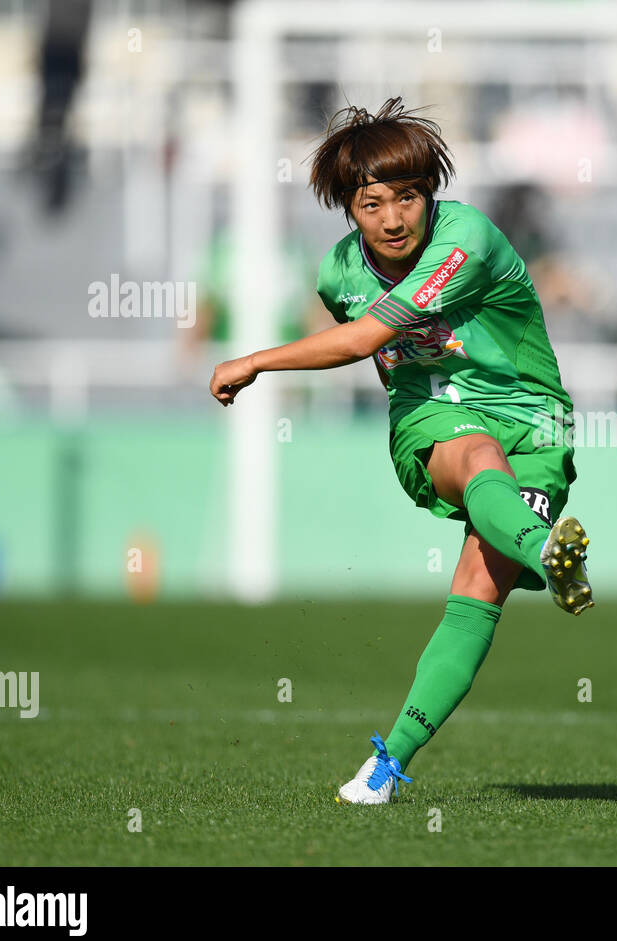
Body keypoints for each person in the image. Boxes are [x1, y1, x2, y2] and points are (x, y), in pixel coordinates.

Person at [208, 98, 594, 805]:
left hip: (534, 425)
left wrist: (256, 360)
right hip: (429, 420)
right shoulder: (337, 274)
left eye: (407, 197)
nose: (392, 219)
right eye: (371, 203)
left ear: (431, 193)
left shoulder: (466, 239)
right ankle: (548, 551)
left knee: (476, 594)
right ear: (347, 209)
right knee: (474, 455)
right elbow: (363, 339)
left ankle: (384, 769)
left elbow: (360, 340)